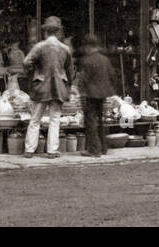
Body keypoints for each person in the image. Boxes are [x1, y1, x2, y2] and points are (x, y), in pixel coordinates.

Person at [22, 16, 74, 158]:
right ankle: (52, 151)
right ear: (57, 32)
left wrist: (33, 73)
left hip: (41, 86)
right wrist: (69, 84)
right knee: (54, 119)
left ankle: (29, 150)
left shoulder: (39, 47)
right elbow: (70, 71)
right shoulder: (65, 49)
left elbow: (26, 62)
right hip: (58, 87)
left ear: (45, 32)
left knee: (35, 119)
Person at [75, 34, 116, 157]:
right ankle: (103, 147)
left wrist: (79, 90)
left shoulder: (87, 60)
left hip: (91, 94)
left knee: (91, 122)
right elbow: (112, 76)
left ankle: (94, 149)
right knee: (101, 121)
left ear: (88, 46)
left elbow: (83, 79)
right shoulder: (105, 59)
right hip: (103, 94)